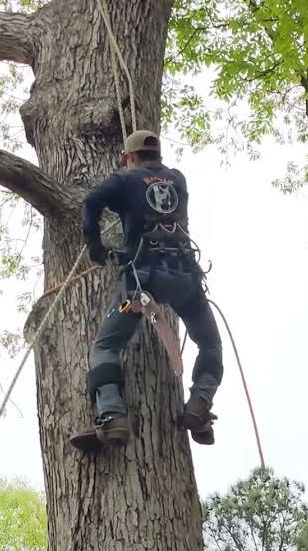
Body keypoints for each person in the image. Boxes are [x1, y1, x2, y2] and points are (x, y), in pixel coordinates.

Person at [72, 130, 223, 452]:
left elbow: (92, 202)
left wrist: (94, 244)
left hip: (143, 282)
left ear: (130, 157)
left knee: (107, 346)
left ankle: (112, 416)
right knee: (209, 344)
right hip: (186, 282)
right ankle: (198, 404)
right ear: (158, 155)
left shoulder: (125, 180)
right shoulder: (178, 180)